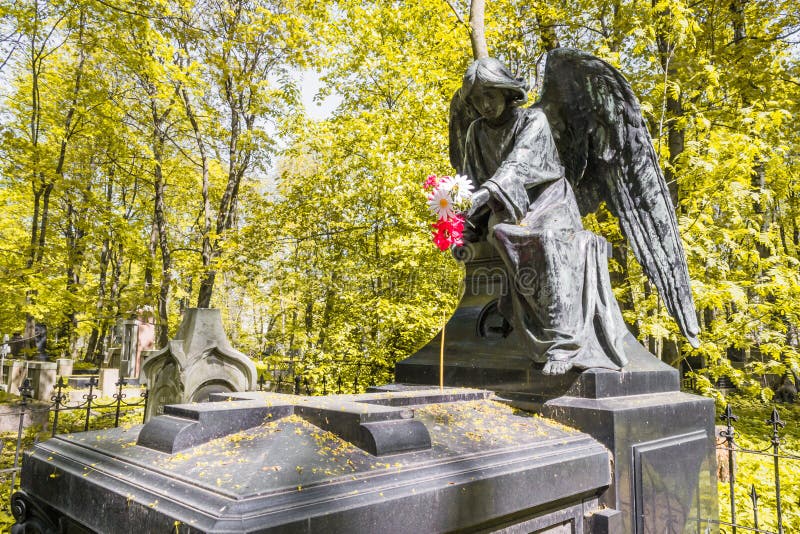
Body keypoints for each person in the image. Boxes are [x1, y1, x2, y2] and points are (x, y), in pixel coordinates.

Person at [462, 57, 629, 374]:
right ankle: (521, 315)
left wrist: (484, 194)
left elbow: (519, 164)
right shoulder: (475, 132)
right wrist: (461, 223)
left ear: (506, 91)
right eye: (478, 98)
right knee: (499, 233)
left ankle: (562, 343)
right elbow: (469, 179)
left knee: (549, 241)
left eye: (490, 95)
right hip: (508, 206)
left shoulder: (533, 121)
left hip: (551, 203)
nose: (485, 104)